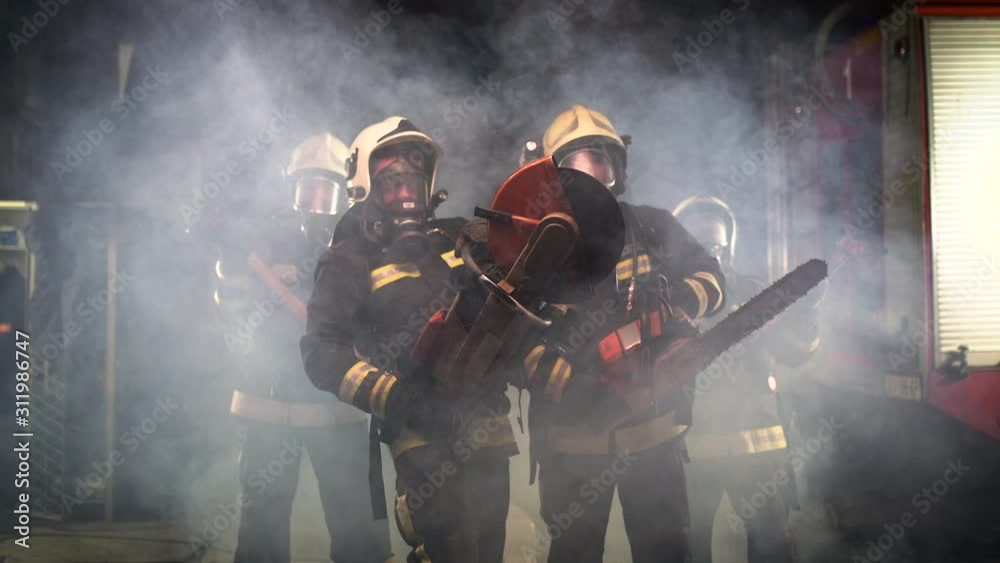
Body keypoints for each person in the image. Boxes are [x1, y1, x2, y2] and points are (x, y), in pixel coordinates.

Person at [300, 117, 517, 563]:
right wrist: (396, 397)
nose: (404, 196)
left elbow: (516, 303)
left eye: (412, 184)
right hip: (419, 434)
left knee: (488, 551)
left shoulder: (461, 240)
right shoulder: (348, 258)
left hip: (488, 427)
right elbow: (321, 352)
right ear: (365, 189)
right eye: (391, 185)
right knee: (450, 548)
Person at [521, 104, 727, 563]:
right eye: (578, 165)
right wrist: (581, 390)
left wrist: (674, 299)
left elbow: (713, 283)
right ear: (552, 179)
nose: (594, 176)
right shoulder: (537, 243)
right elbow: (519, 343)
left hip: (653, 442)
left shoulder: (652, 226)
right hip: (571, 445)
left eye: (602, 161)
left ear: (619, 169)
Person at [214, 133, 393, 563]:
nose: (316, 202)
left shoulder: (363, 245)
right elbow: (229, 311)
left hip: (338, 405)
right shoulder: (259, 242)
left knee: (355, 525)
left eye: (326, 190)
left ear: (346, 193)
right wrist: (260, 286)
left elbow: (383, 315)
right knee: (262, 526)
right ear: (289, 188)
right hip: (268, 404)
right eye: (307, 188)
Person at [674, 195, 821, 563]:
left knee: (770, 546)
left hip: (760, 454)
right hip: (691, 454)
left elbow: (797, 352)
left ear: (730, 247)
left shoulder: (757, 294)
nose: (713, 256)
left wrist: (806, 315)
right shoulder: (667, 300)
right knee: (686, 549)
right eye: (701, 248)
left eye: (718, 248)